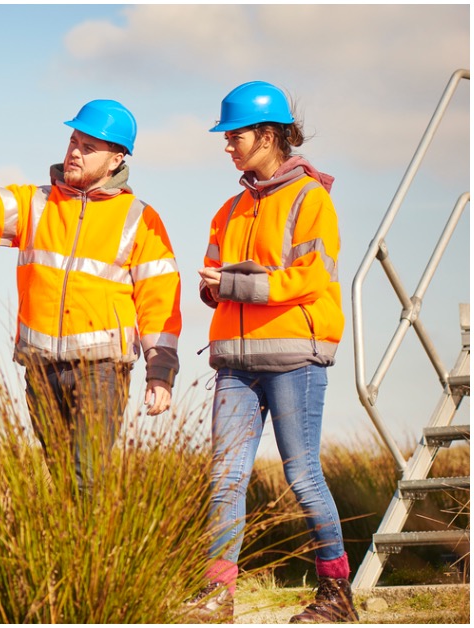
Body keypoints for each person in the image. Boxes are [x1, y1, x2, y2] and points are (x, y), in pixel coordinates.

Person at [0, 100, 182, 488]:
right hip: (41, 368)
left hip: (101, 371)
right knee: (63, 479)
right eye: (73, 141)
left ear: (116, 160)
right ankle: (73, 549)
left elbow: (159, 300)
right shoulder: (35, 203)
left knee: (86, 479)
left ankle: (89, 549)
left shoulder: (140, 219)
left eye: (88, 147)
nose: (74, 152)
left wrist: (161, 372)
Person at [187, 81, 356, 623]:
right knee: (224, 478)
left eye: (235, 135)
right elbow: (214, 277)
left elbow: (313, 276)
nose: (228, 145)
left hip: (294, 359)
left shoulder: (311, 199)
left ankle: (336, 597)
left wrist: (236, 286)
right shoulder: (229, 208)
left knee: (302, 475)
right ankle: (218, 597)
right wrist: (213, 287)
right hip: (234, 363)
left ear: (267, 136)